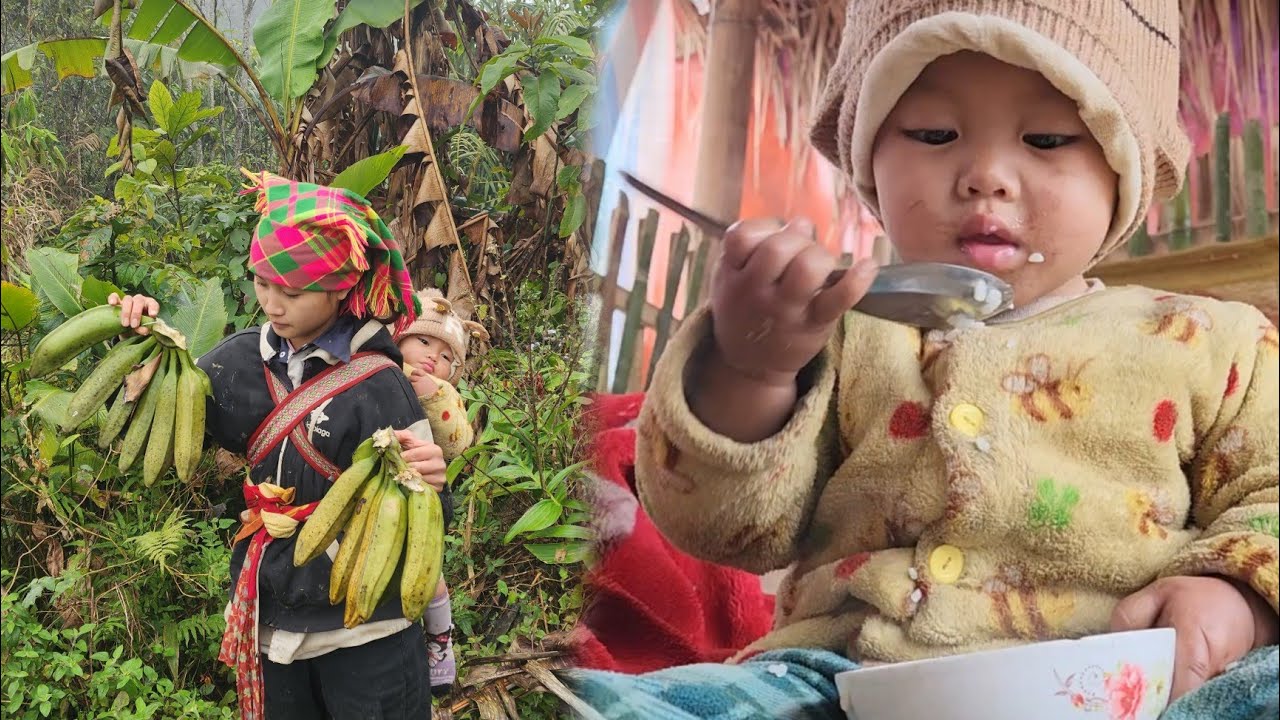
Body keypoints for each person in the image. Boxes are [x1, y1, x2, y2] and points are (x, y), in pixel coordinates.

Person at [565, 1, 1279, 718]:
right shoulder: (836, 329)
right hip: (838, 677)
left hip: (1128, 683)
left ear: (1126, 173)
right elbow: (730, 528)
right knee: (593, 705)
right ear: (868, 158)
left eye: (1047, 137)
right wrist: (754, 370)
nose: (986, 175)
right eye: (934, 133)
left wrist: (1237, 595)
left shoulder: (1211, 342)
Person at [110, 170, 451, 720]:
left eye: (291, 291)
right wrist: (138, 349)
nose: (271, 302)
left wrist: (431, 482)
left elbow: (434, 519)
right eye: (262, 282)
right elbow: (159, 427)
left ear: (340, 286)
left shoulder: (380, 384)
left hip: (369, 632)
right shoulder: (235, 362)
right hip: (272, 621)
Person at [395, 287, 489, 695]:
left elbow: (456, 439)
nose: (435, 356)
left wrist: (433, 397)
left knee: (428, 572)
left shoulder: (443, 390)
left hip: (425, 493)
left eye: (448, 356)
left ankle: (440, 644)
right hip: (379, 489)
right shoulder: (379, 367)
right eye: (424, 341)